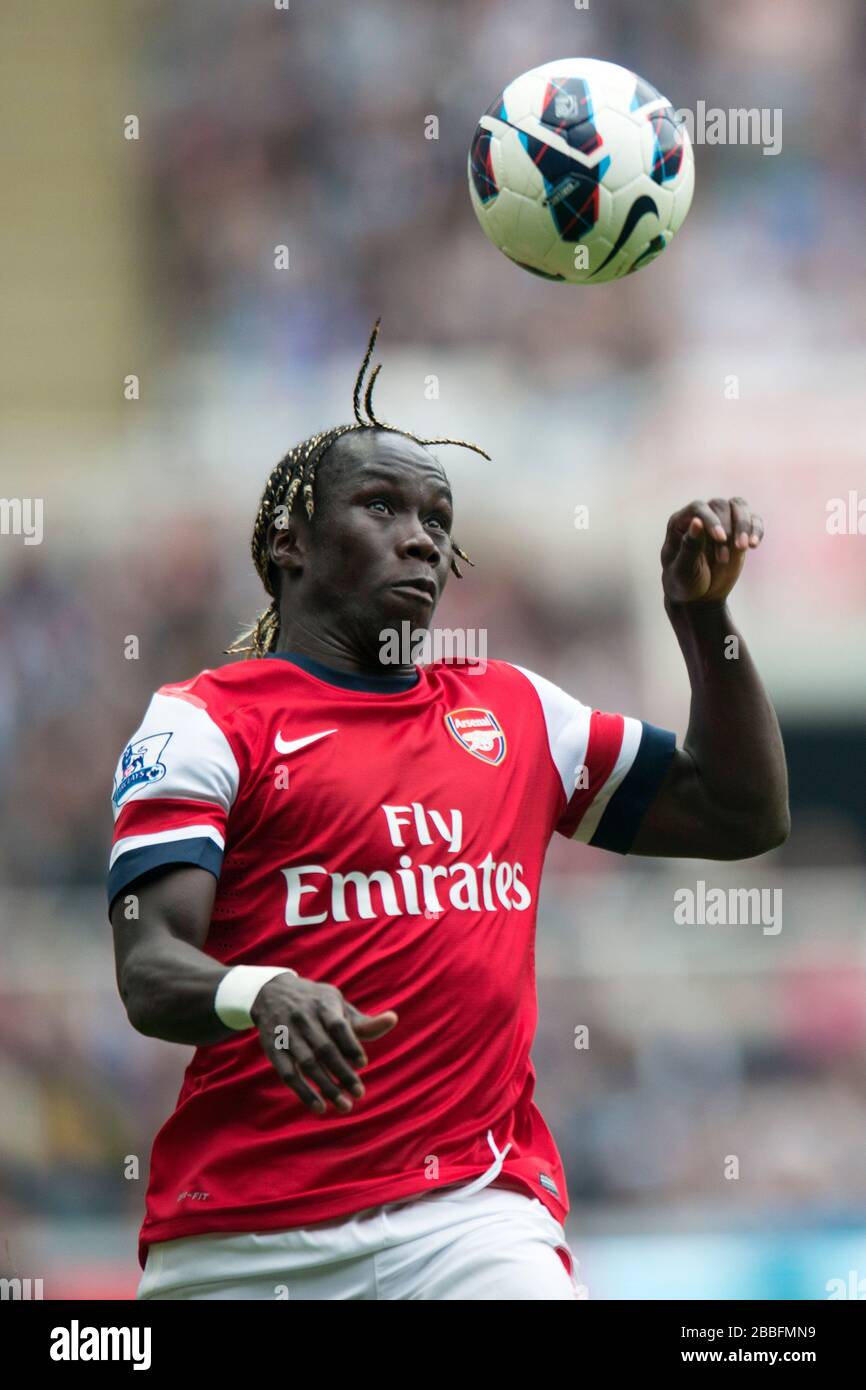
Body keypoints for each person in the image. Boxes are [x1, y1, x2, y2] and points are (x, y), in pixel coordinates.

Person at [109, 320, 789, 1300]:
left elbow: (738, 816)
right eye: (381, 505)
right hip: (240, 1233)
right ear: (288, 540)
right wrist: (257, 992)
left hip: (471, 1221)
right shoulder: (203, 725)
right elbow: (148, 968)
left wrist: (701, 618)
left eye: (437, 515)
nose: (421, 534)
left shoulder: (515, 713)